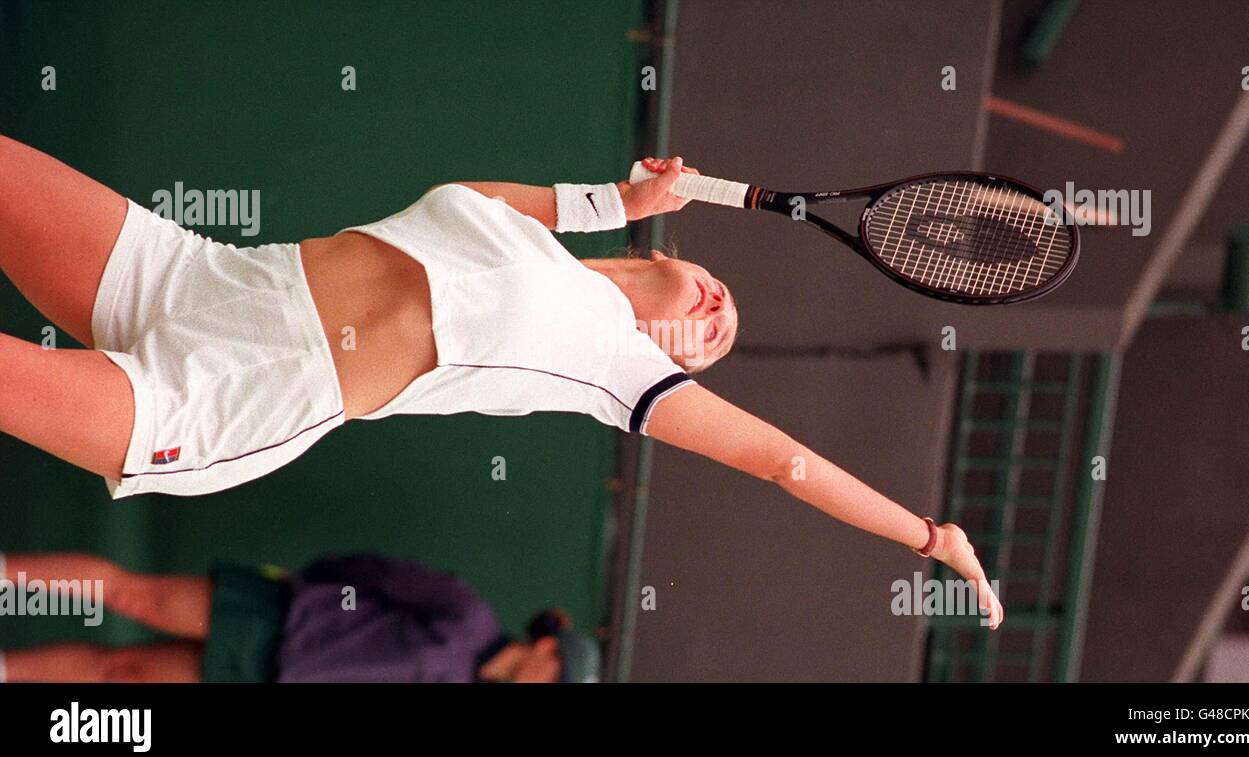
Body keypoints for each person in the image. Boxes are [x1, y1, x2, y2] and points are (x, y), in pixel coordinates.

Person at [0, 136, 1002, 627]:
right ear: (681, 252)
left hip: (220, 405)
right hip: (197, 276)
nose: (715, 317)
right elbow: (539, 204)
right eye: (720, 301)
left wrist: (927, 535)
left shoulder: (617, 365)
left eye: (713, 342)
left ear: (678, 368)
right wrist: (626, 195)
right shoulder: (515, 225)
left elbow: (783, 461)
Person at [0, 551, 598, 683]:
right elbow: (369, 570)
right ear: (549, 650)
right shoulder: (467, 614)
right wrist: (304, 589)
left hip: (262, 680)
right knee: (138, 598)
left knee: (122, 675)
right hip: (278, 619)